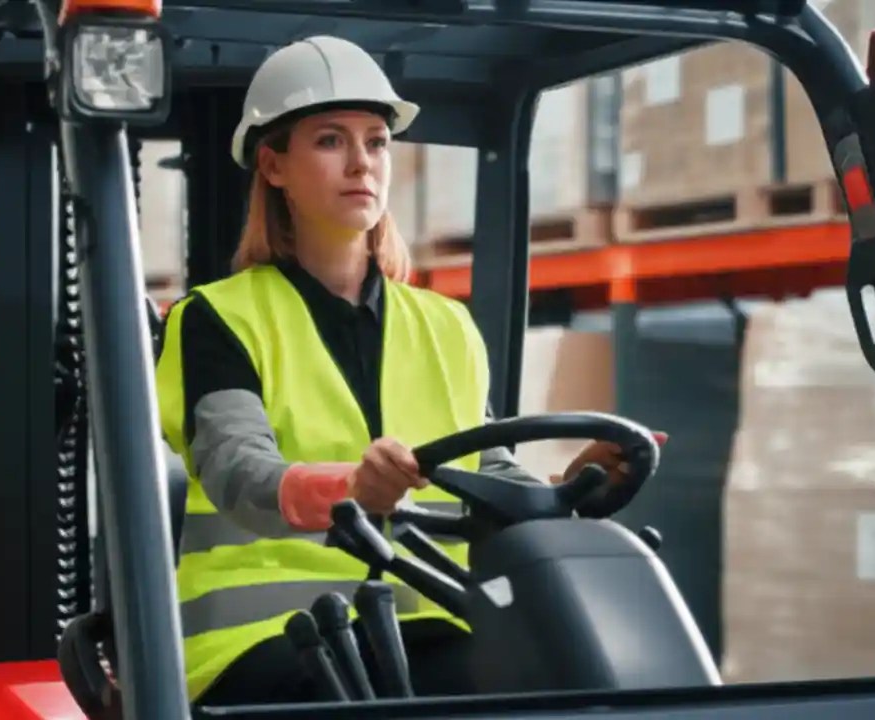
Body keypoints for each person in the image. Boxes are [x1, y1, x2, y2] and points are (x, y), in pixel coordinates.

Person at [154, 35, 666, 706]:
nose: (361, 163)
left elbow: (480, 472)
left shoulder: (445, 325)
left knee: (576, 675)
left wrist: (566, 493)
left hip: (422, 626)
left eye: (376, 142)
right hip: (260, 644)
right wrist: (353, 488)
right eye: (331, 141)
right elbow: (241, 475)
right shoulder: (217, 318)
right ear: (274, 166)